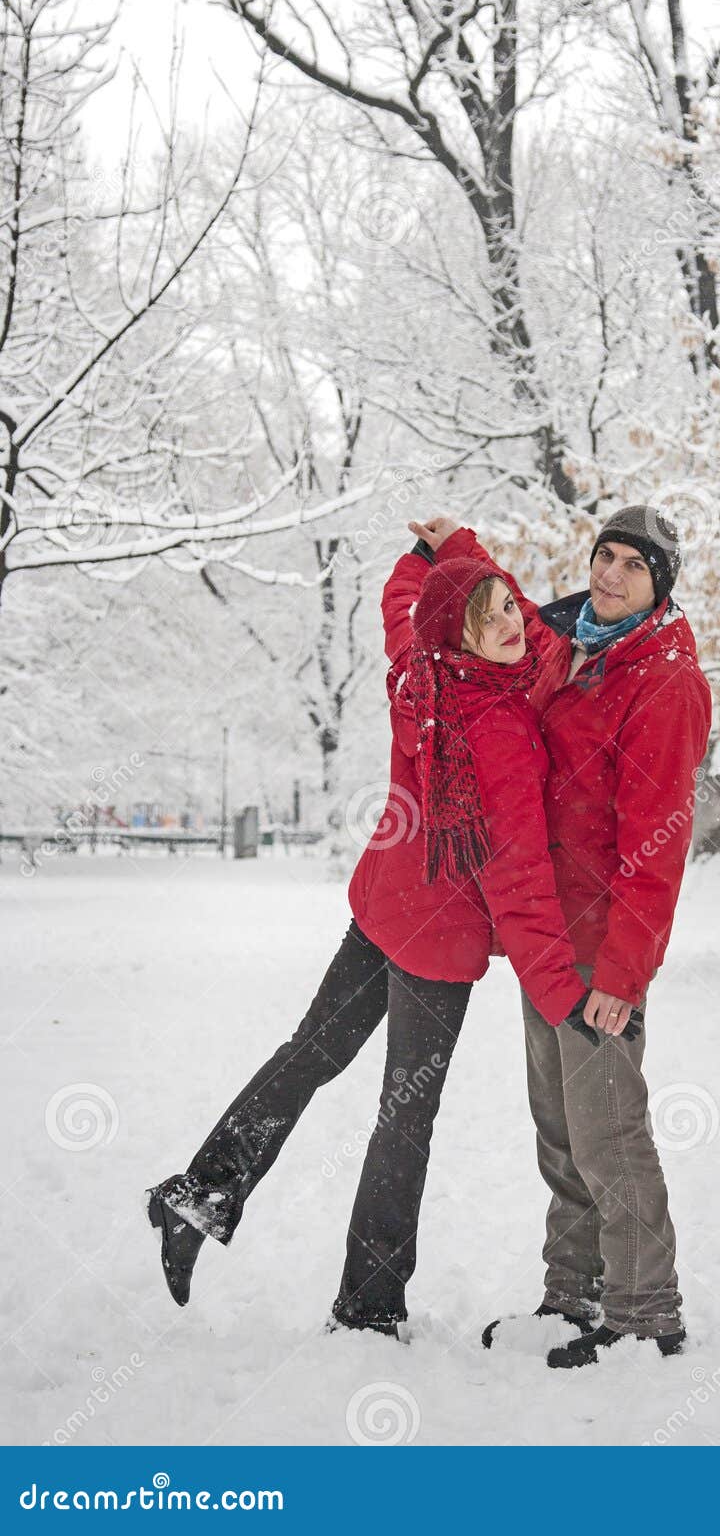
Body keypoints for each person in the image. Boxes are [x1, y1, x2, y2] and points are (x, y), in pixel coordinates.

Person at [146, 531, 635, 1333]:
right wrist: (562, 996)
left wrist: (436, 551)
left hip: (383, 907)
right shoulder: (503, 730)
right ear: (462, 632)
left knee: (312, 1051)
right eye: (489, 616)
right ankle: (367, 1304)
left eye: (510, 603)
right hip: (436, 942)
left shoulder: (421, 670)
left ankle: (199, 1194)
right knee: (404, 1117)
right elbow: (516, 881)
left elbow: (403, 602)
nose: (514, 621)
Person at [410, 508, 712, 1367]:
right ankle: (573, 1296)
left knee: (609, 1132)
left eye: (633, 566)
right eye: (604, 556)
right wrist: (458, 554)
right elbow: (499, 616)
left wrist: (623, 972)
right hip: (546, 938)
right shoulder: (575, 647)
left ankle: (647, 1312)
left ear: (661, 586)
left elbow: (659, 849)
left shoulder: (661, 681)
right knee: (561, 1130)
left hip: (600, 950)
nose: (611, 575)